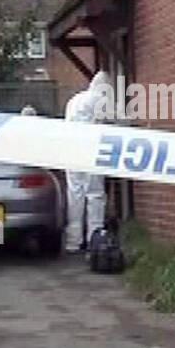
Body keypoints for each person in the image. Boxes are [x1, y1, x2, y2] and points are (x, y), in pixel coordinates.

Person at [63, 71, 112, 252]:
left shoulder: (74, 100)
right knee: (95, 194)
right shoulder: (99, 98)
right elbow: (106, 121)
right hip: (90, 150)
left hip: (70, 151)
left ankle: (73, 241)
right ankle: (94, 237)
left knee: (74, 193)